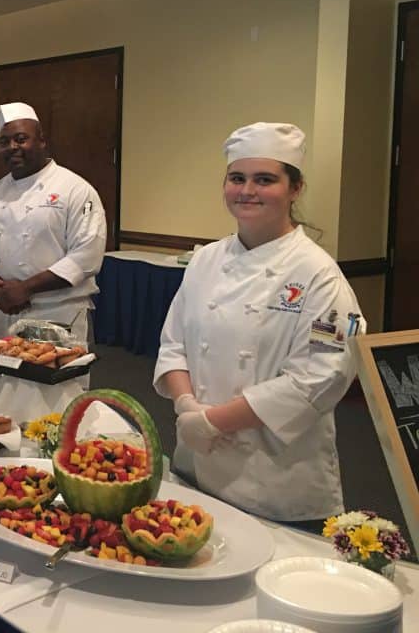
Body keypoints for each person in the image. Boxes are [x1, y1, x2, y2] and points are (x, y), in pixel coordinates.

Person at [154, 122, 365, 524]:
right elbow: (173, 344)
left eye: (264, 179)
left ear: (295, 188)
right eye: (237, 178)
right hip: (197, 462)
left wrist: (212, 421)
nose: (247, 190)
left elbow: (320, 376)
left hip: (275, 479)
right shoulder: (205, 260)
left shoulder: (322, 276)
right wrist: (187, 408)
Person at [0, 102, 106, 344]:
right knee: (0, 378)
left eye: (20, 139)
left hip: (57, 312)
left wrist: (26, 288)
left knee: (53, 380)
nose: (12, 148)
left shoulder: (75, 189)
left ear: (41, 140)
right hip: (4, 310)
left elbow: (86, 257)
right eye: (4, 142)